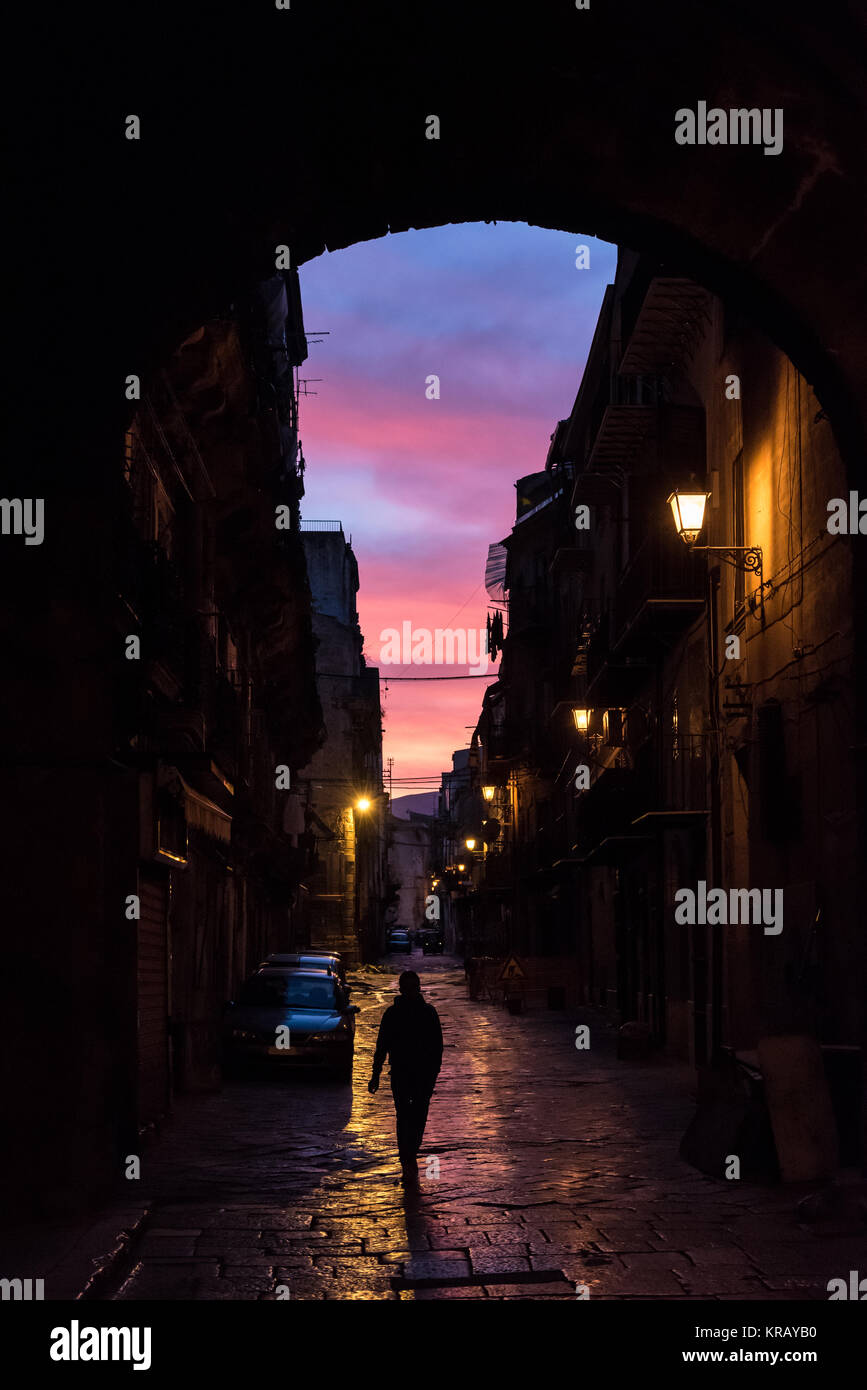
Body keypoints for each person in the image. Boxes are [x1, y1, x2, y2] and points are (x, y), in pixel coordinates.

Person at [368, 970, 443, 1170]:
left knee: (418, 1115)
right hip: (401, 1073)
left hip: (423, 1075)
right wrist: (375, 1074)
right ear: (401, 989)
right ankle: (406, 1155)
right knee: (403, 1115)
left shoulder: (428, 1013)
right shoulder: (392, 1014)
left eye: (413, 988)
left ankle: (412, 1149)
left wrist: (433, 1073)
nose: (410, 992)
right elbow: (381, 1046)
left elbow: (437, 1047)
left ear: (417, 989)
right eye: (407, 988)